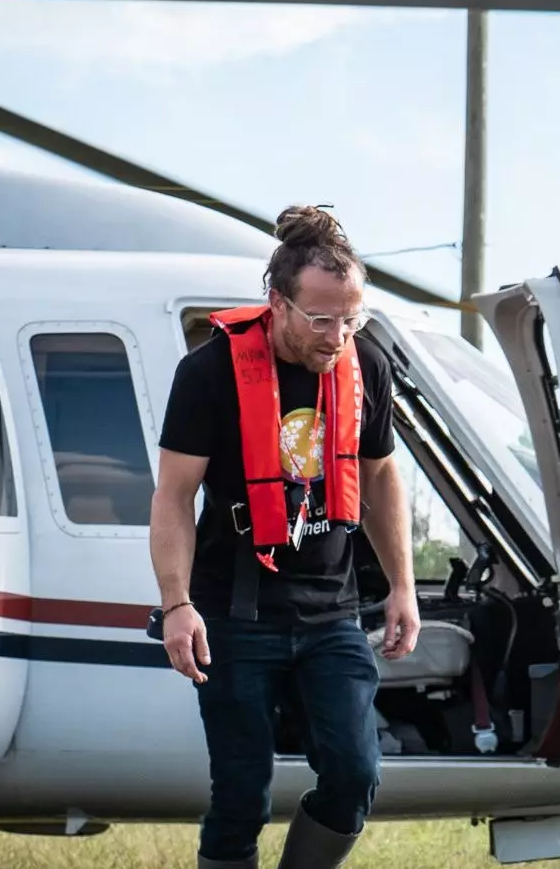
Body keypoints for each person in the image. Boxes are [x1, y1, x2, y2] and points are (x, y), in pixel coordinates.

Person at [149, 205, 421, 869]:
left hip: (331, 612)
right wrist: (177, 603)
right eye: (321, 318)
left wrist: (402, 588)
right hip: (237, 614)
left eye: (351, 319)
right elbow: (175, 497)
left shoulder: (369, 369)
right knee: (241, 797)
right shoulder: (209, 374)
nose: (337, 336)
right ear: (277, 302)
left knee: (356, 775)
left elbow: (384, 481)